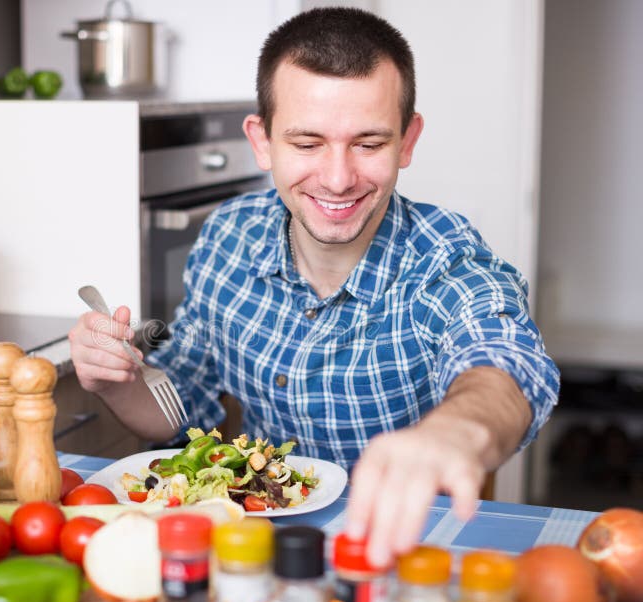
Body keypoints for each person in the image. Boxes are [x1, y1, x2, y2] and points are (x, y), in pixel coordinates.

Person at [68, 7, 559, 567]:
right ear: (262, 141)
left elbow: (505, 359)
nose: (337, 177)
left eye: (368, 143)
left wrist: (457, 430)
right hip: (253, 553)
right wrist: (120, 382)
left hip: (403, 557)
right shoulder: (229, 237)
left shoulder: (443, 258)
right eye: (307, 143)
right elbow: (183, 409)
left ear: (407, 140)